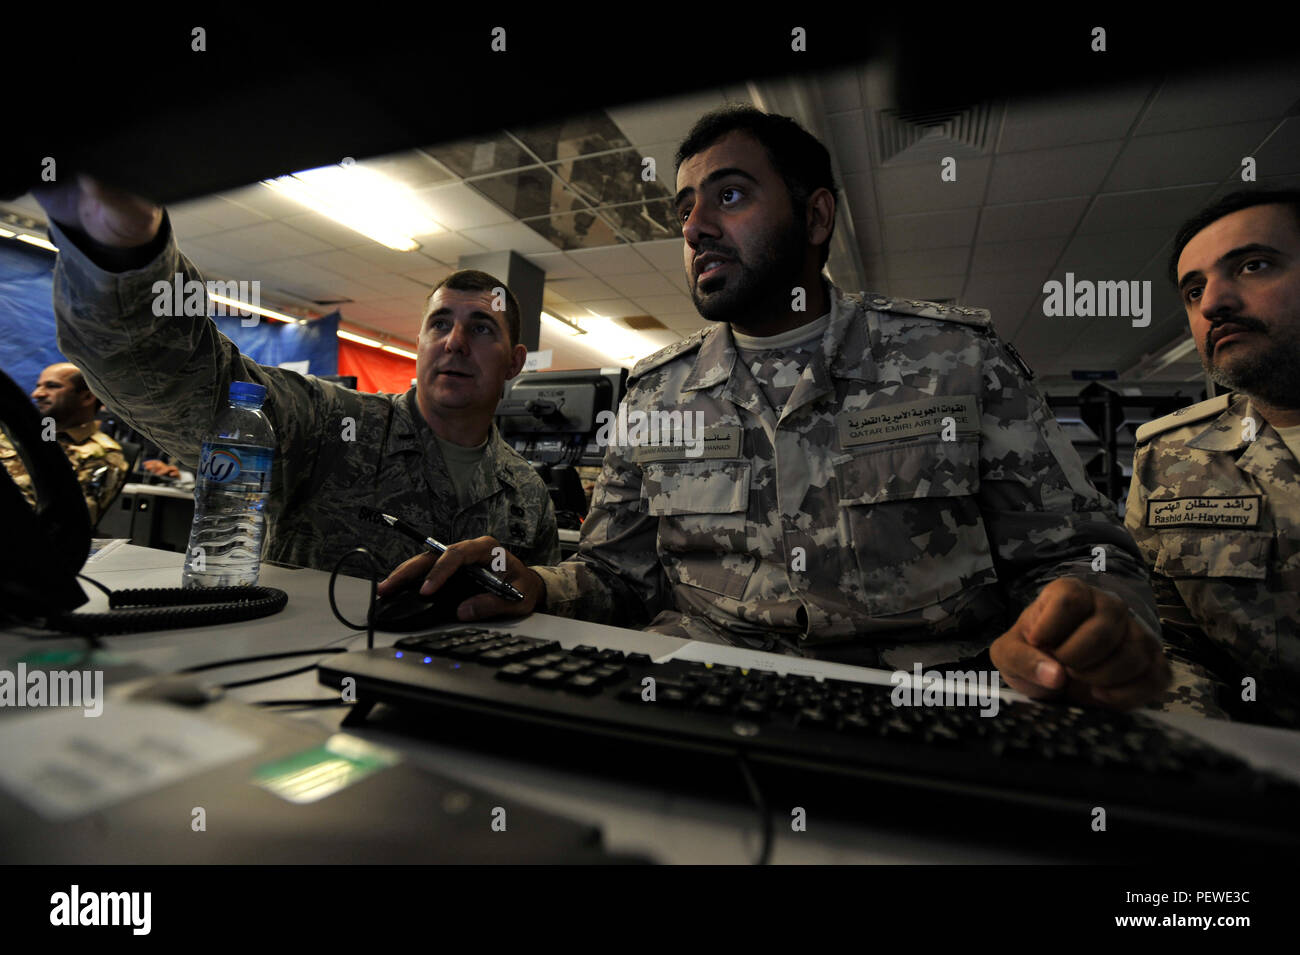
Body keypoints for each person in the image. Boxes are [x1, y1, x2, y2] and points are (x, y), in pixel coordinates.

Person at [384, 106, 1180, 713]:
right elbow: (615, 577)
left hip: (922, 708)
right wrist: (535, 584)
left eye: (729, 196)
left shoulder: (955, 361)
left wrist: (1088, 623)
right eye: (685, 209)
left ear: (817, 217)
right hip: (703, 701)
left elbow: (1082, 556)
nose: (695, 228)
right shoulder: (657, 394)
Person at [33, 176, 559, 574]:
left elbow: (537, 612)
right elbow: (191, 384)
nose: (455, 342)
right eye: (439, 323)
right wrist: (122, 252)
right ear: (421, 343)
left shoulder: (527, 495)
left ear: (515, 361)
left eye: (481, 328)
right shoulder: (332, 424)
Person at [1126, 189, 1300, 727]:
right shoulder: (1171, 456)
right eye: (1194, 290)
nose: (1212, 304)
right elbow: (1167, 636)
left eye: (1253, 265)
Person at [0, 362, 129, 524]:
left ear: (87, 397)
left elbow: (67, 523)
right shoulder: (18, 436)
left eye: (52, 386)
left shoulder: (104, 454)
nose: (37, 394)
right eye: (38, 386)